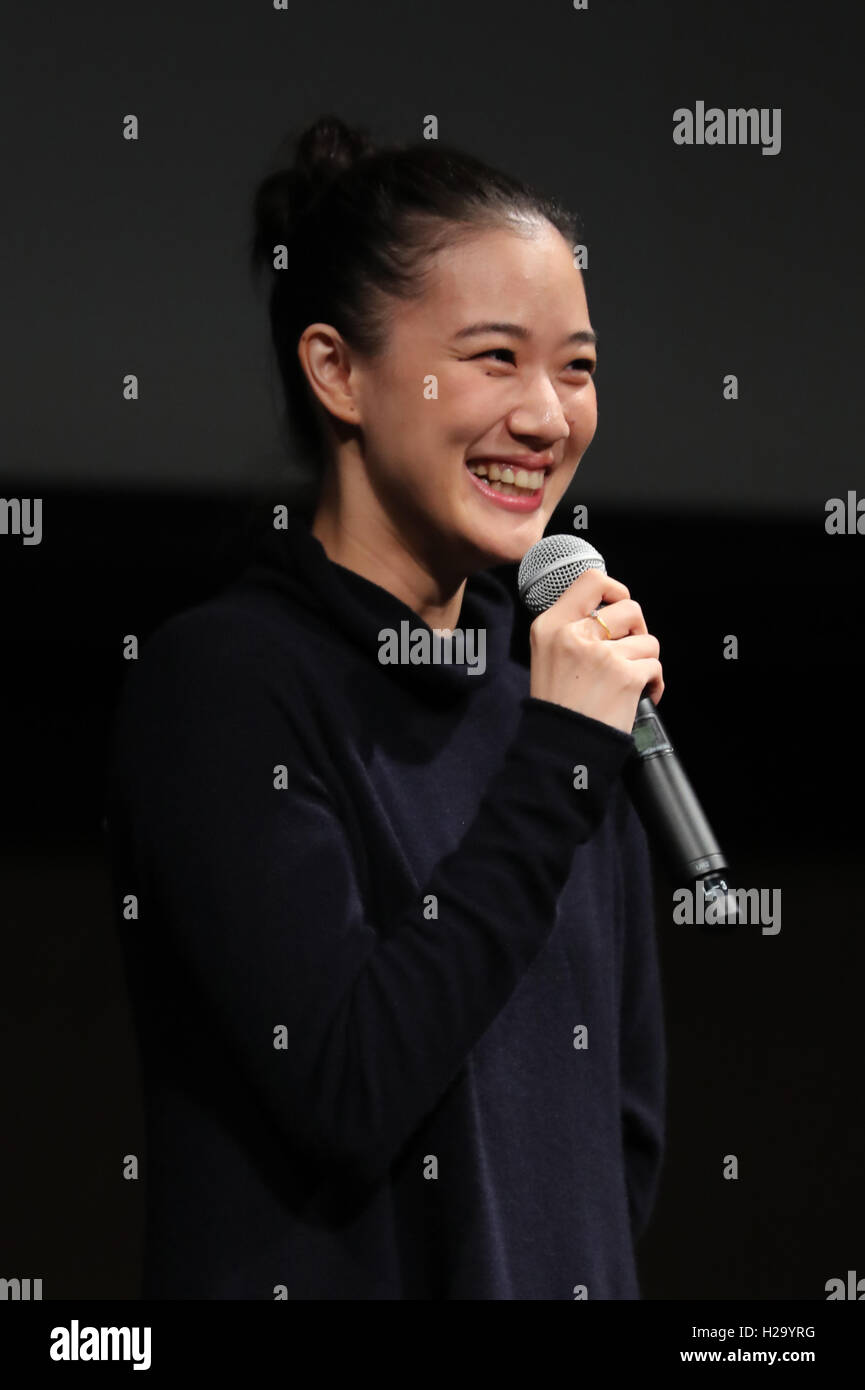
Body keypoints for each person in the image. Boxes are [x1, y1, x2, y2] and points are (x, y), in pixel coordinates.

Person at [105, 114, 666, 1300]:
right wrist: (560, 755)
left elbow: (615, 1141)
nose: (547, 415)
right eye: (494, 357)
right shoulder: (227, 684)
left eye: (577, 365)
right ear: (337, 370)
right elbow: (346, 1081)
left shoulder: (560, 707)